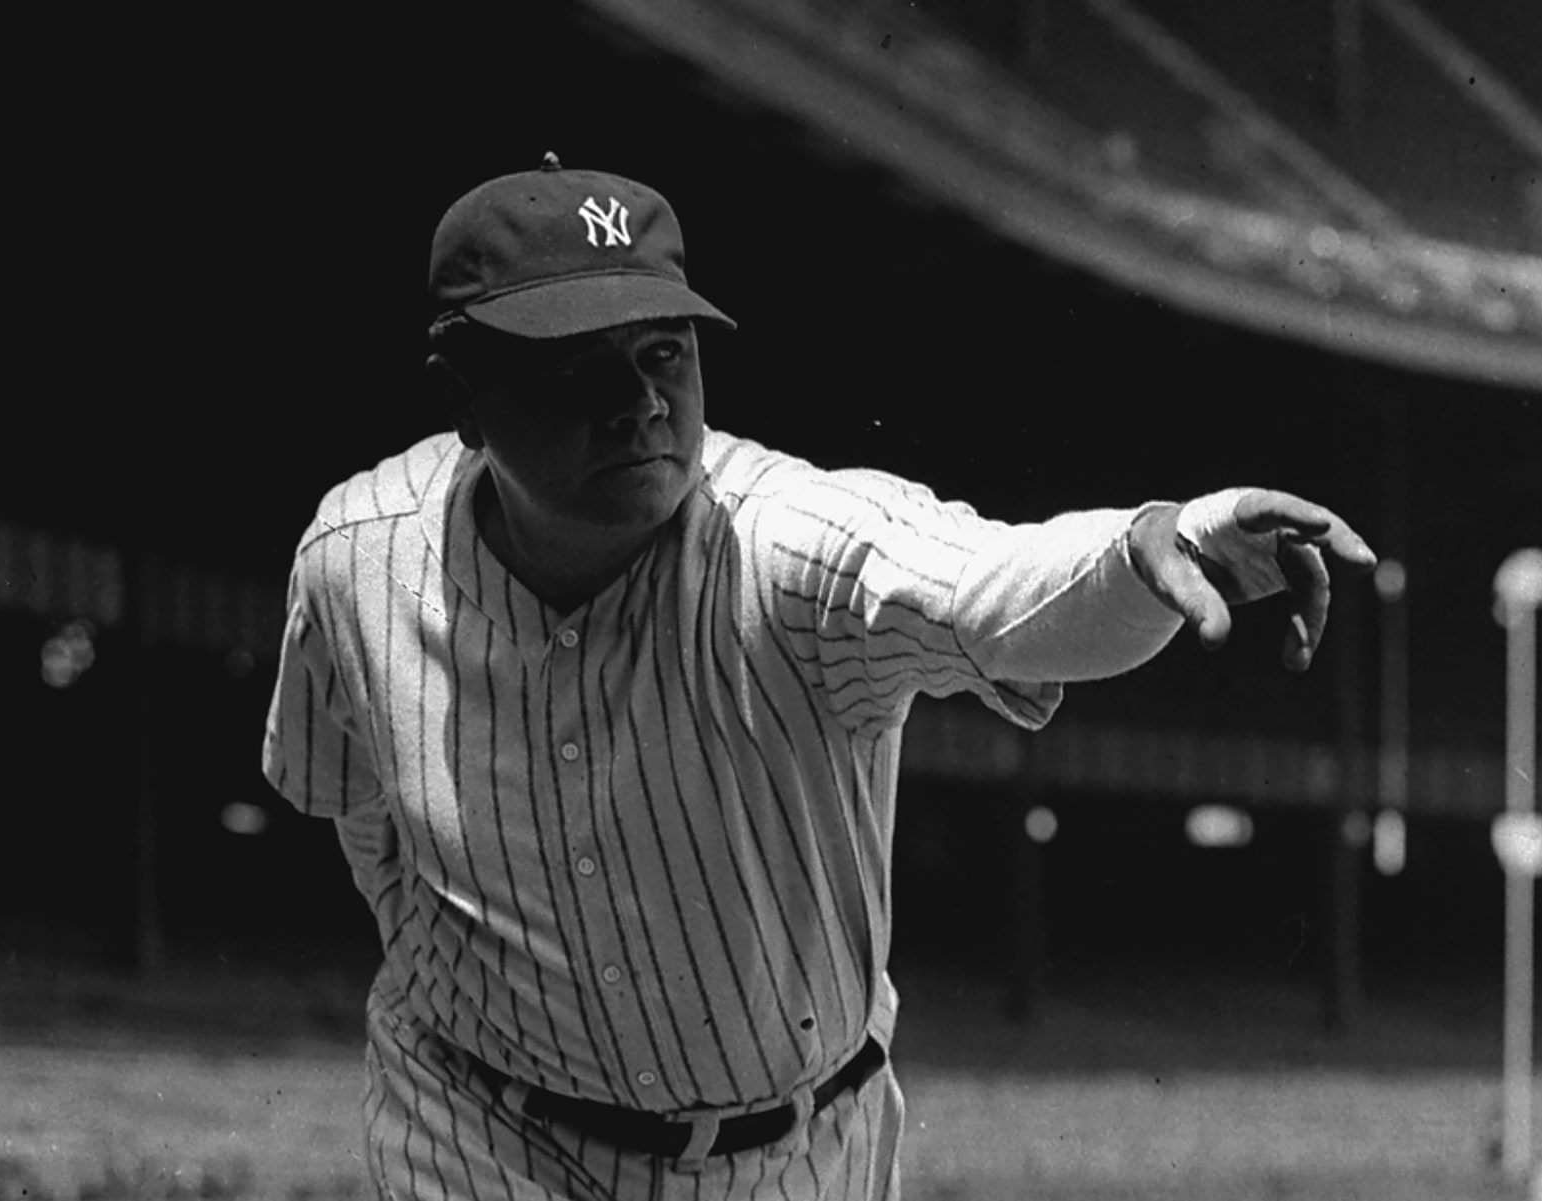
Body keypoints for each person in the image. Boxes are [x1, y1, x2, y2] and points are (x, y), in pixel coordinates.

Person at [263, 153, 1375, 1200]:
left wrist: (1147, 547)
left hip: (792, 1154)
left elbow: (986, 583)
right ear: (462, 395)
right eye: (576, 362)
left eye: (664, 352)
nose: (640, 400)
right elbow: (358, 804)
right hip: (474, 1127)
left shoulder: (787, 544)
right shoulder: (356, 556)